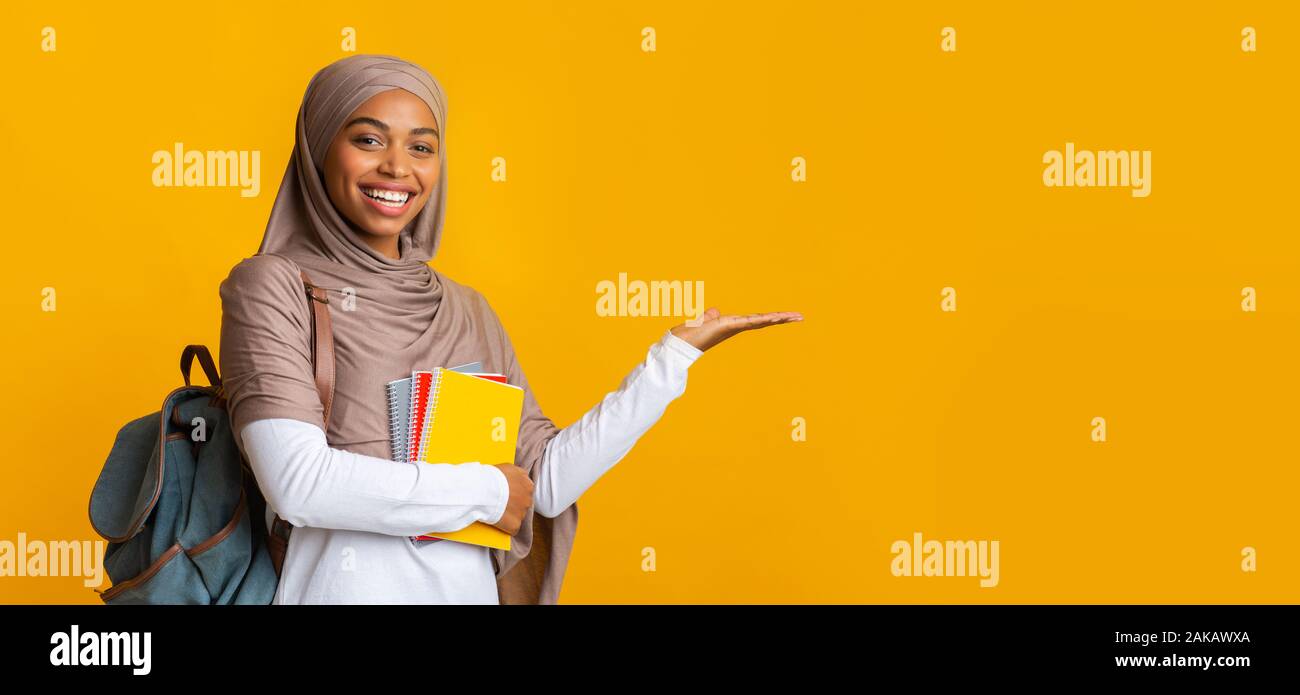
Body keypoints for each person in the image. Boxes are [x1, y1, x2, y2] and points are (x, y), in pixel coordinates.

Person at [218, 54, 802, 604]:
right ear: (319, 147)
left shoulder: (467, 310)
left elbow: (542, 485)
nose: (397, 166)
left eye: (422, 146)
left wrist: (671, 361)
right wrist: (488, 493)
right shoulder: (271, 287)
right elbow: (300, 484)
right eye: (368, 139)